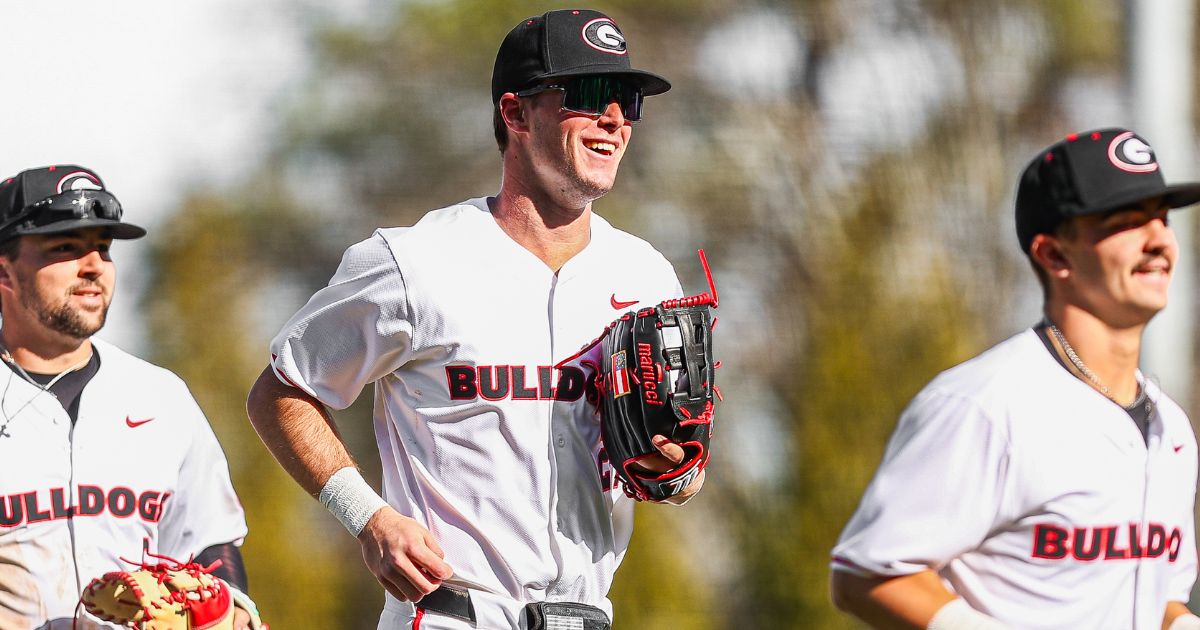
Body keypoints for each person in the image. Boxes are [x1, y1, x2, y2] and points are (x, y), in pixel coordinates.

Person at [246, 9, 701, 630]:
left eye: (628, 100)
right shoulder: (415, 261)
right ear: (515, 114)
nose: (615, 119)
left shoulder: (646, 276)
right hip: (453, 615)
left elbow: (680, 474)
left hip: (590, 615)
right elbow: (281, 391)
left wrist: (674, 470)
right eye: (591, 94)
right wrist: (368, 517)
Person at [829, 127, 1200, 629]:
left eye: (1162, 218)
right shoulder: (984, 404)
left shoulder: (1171, 427)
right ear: (1054, 255)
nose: (1159, 240)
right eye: (1127, 222)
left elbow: (1161, 599)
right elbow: (865, 573)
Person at [0, 165, 259, 629]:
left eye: (103, 247)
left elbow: (209, 540)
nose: (94, 266)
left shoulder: (159, 397)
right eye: (65, 247)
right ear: (5, 271)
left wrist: (232, 608)